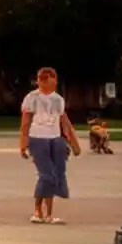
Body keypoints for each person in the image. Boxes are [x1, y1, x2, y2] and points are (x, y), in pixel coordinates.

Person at [19, 67, 81, 225]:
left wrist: (73, 142)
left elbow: (64, 121)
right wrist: (23, 144)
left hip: (55, 139)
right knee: (46, 175)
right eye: (51, 82)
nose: (54, 85)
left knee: (57, 175)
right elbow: (25, 123)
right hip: (38, 138)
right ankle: (37, 211)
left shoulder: (58, 99)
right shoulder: (32, 98)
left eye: (55, 82)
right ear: (41, 81)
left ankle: (49, 214)